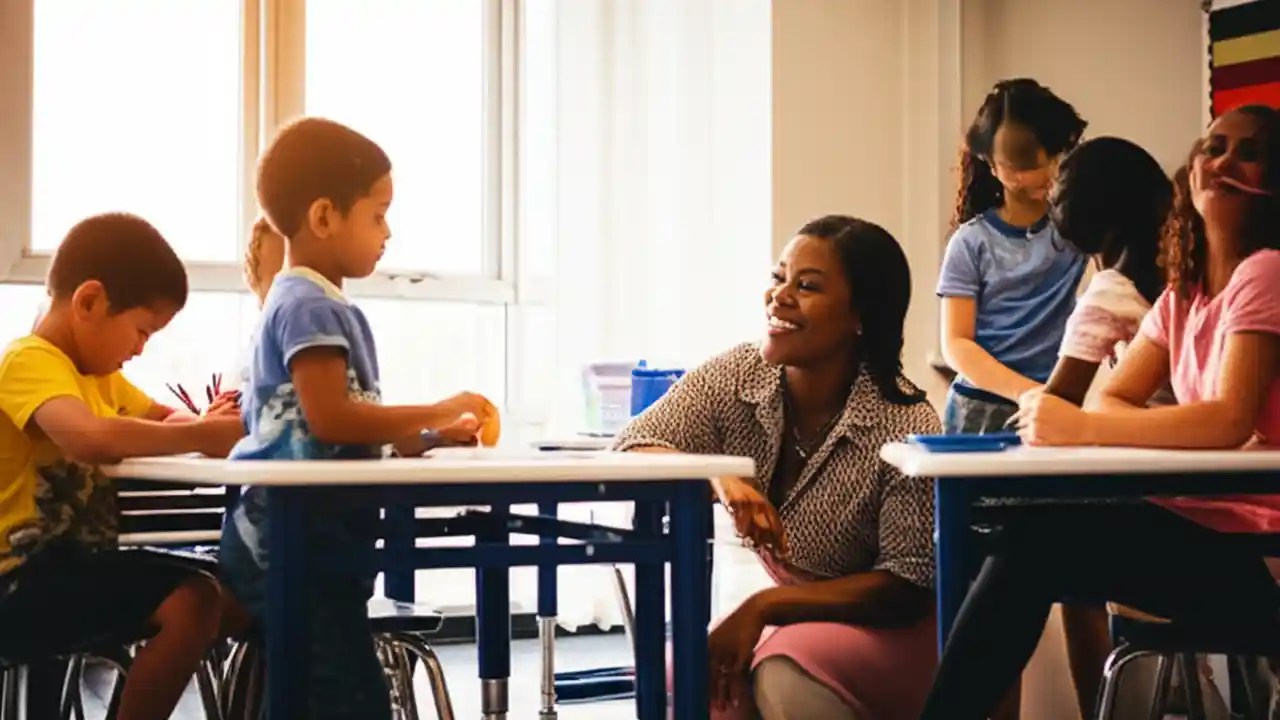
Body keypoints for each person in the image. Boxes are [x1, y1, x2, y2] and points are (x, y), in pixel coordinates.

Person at [920, 105, 1280, 720]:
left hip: (1260, 555)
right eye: (1212, 145)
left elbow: (1227, 418)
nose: (1221, 161)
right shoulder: (1183, 295)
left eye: (1246, 152)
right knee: (1028, 543)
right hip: (1208, 535)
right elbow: (1115, 396)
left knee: (1031, 546)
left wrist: (1086, 427)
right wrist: (1095, 420)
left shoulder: (1265, 271)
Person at [218, 117, 498, 719]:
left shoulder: (314, 303)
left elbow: (343, 431)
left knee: (314, 691)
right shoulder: (307, 303)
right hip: (290, 547)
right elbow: (331, 420)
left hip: (312, 546)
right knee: (342, 696)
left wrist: (428, 435)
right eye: (377, 214)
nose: (387, 231)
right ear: (323, 217)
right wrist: (440, 406)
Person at [615, 215, 940, 720]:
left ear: (861, 316)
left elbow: (907, 586)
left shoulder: (904, 422)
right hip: (804, 626)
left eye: (807, 286)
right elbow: (633, 443)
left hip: (901, 639)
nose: (779, 296)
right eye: (777, 278)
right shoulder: (739, 374)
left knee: (784, 674)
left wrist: (763, 608)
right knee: (689, 671)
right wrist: (716, 476)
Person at [0, 213, 247, 720]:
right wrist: (200, 433)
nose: (139, 349)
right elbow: (89, 438)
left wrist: (201, 422)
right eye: (140, 330)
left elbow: (163, 415)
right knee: (193, 601)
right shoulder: (29, 360)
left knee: (229, 590)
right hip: (17, 581)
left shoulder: (100, 379)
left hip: (71, 570)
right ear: (88, 302)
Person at [939, 78, 1088, 435]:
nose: (1047, 172)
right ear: (992, 164)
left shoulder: (1078, 233)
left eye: (1055, 156)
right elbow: (957, 343)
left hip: (1055, 406)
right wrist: (1029, 393)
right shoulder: (970, 241)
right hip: (980, 408)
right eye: (1023, 164)